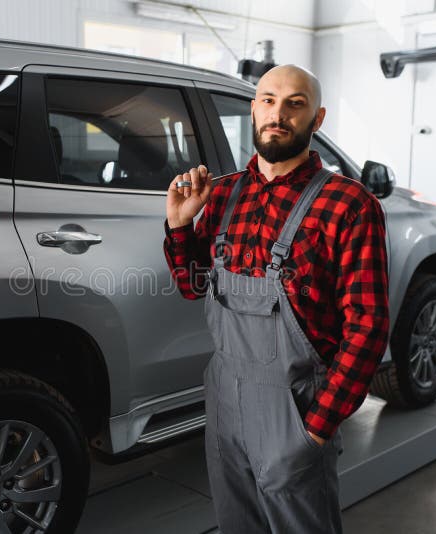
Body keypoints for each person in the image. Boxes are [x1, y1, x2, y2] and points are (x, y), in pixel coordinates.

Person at [163, 65, 390, 533]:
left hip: (296, 405)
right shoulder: (221, 194)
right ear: (253, 109)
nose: (278, 113)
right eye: (268, 100)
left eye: (295, 103)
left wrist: (315, 430)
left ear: (317, 118)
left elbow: (367, 327)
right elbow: (192, 285)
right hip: (223, 394)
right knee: (235, 524)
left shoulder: (349, 204)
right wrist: (181, 225)